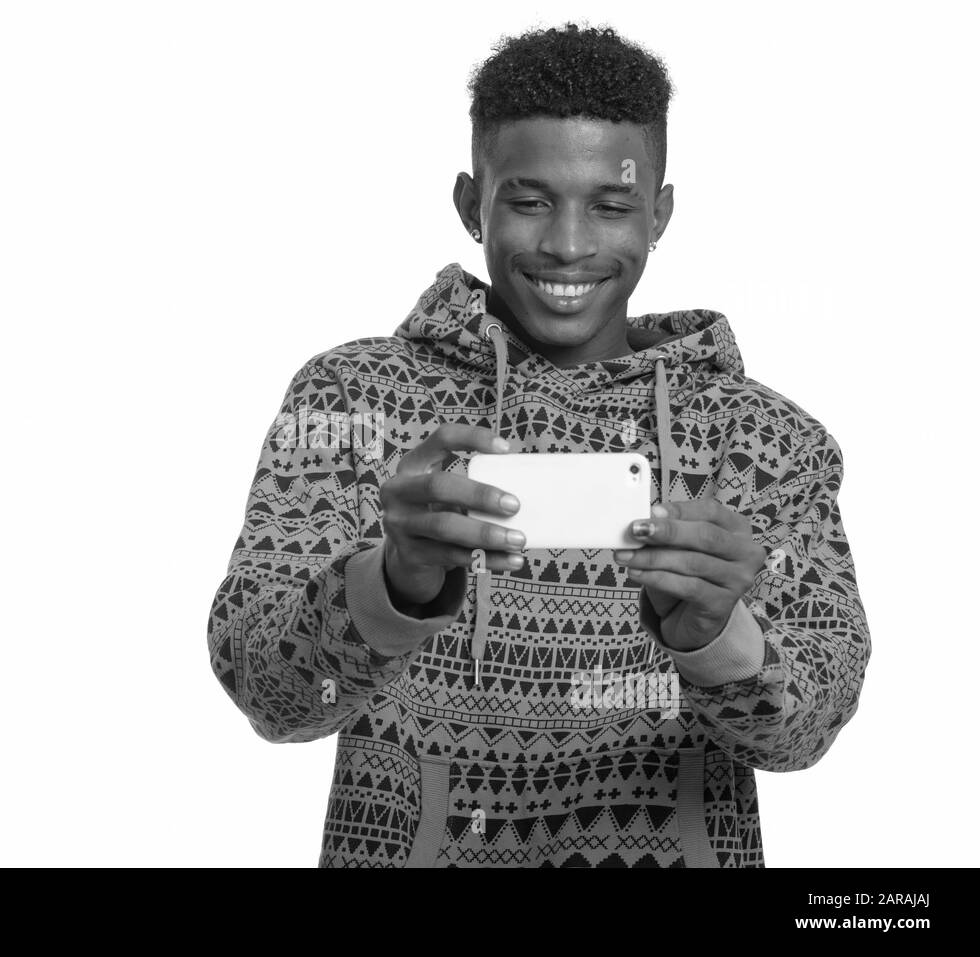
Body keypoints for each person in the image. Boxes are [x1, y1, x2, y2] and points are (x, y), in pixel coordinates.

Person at [206, 22, 871, 868]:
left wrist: (716, 636)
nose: (567, 244)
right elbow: (269, 693)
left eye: (610, 203)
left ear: (660, 211)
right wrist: (393, 584)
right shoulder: (352, 401)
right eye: (528, 200)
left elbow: (807, 732)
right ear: (467, 202)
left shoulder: (765, 441)